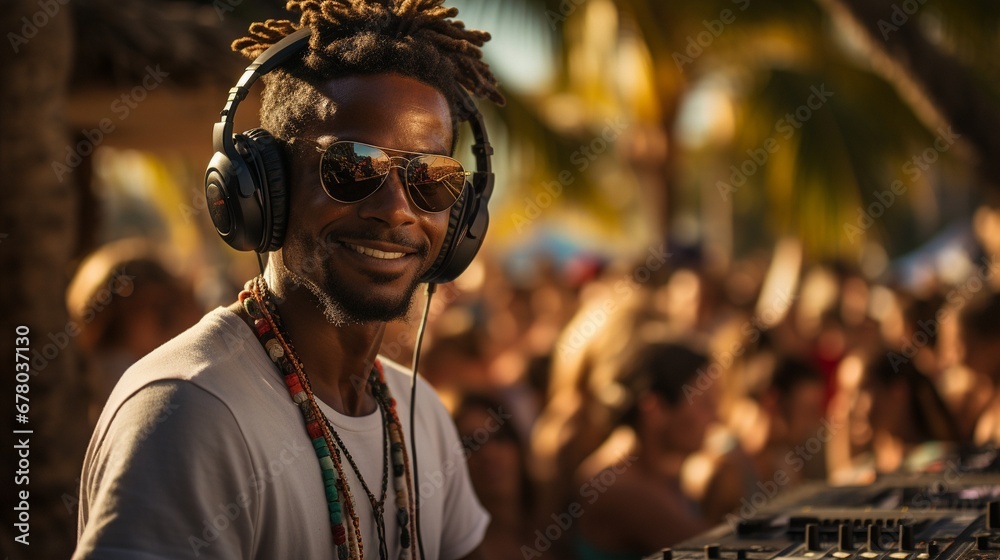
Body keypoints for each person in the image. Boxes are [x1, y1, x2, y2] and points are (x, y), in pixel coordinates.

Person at [74, 1, 504, 558]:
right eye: (352, 166)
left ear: (462, 216)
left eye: (430, 176)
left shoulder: (421, 415)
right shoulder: (189, 411)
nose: (397, 209)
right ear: (262, 189)